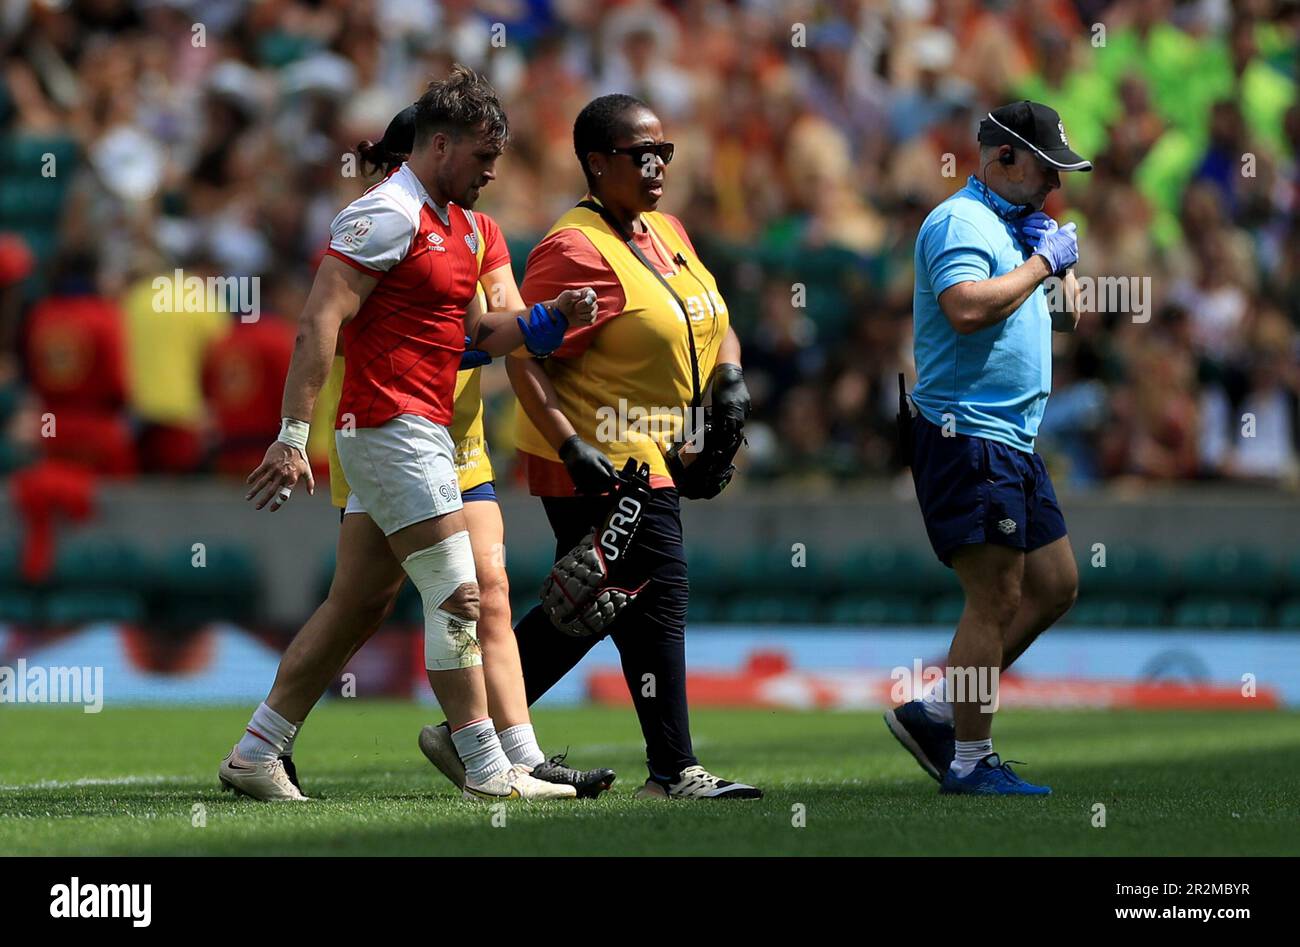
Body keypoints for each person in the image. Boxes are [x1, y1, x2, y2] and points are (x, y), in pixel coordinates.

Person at [220, 66, 597, 802]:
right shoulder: (386, 212)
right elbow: (318, 321)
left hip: (417, 428)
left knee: (357, 605)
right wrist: (293, 434)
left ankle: (257, 751)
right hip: (390, 427)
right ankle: (491, 769)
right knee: (457, 591)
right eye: (484, 158)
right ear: (441, 144)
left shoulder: (457, 223)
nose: (493, 173)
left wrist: (556, 316)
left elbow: (480, 332)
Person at [504, 93, 761, 800]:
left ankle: (475, 726)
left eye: (663, 153)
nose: (655, 166)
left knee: (596, 600)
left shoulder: (665, 229)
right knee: (648, 592)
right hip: (594, 453)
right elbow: (523, 355)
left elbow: (710, 315)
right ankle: (674, 770)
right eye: (637, 154)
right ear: (595, 163)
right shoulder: (572, 248)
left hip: (651, 445)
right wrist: (568, 442)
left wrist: (729, 377)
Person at [885, 100, 1085, 795]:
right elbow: (966, 309)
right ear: (1003, 158)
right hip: (965, 433)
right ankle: (969, 759)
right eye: (1046, 168)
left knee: (1055, 585)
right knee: (995, 596)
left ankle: (940, 707)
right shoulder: (958, 221)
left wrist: (1054, 263)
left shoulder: (1012, 223)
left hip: (1012, 439)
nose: (1055, 184)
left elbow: (1072, 319)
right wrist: (1038, 261)